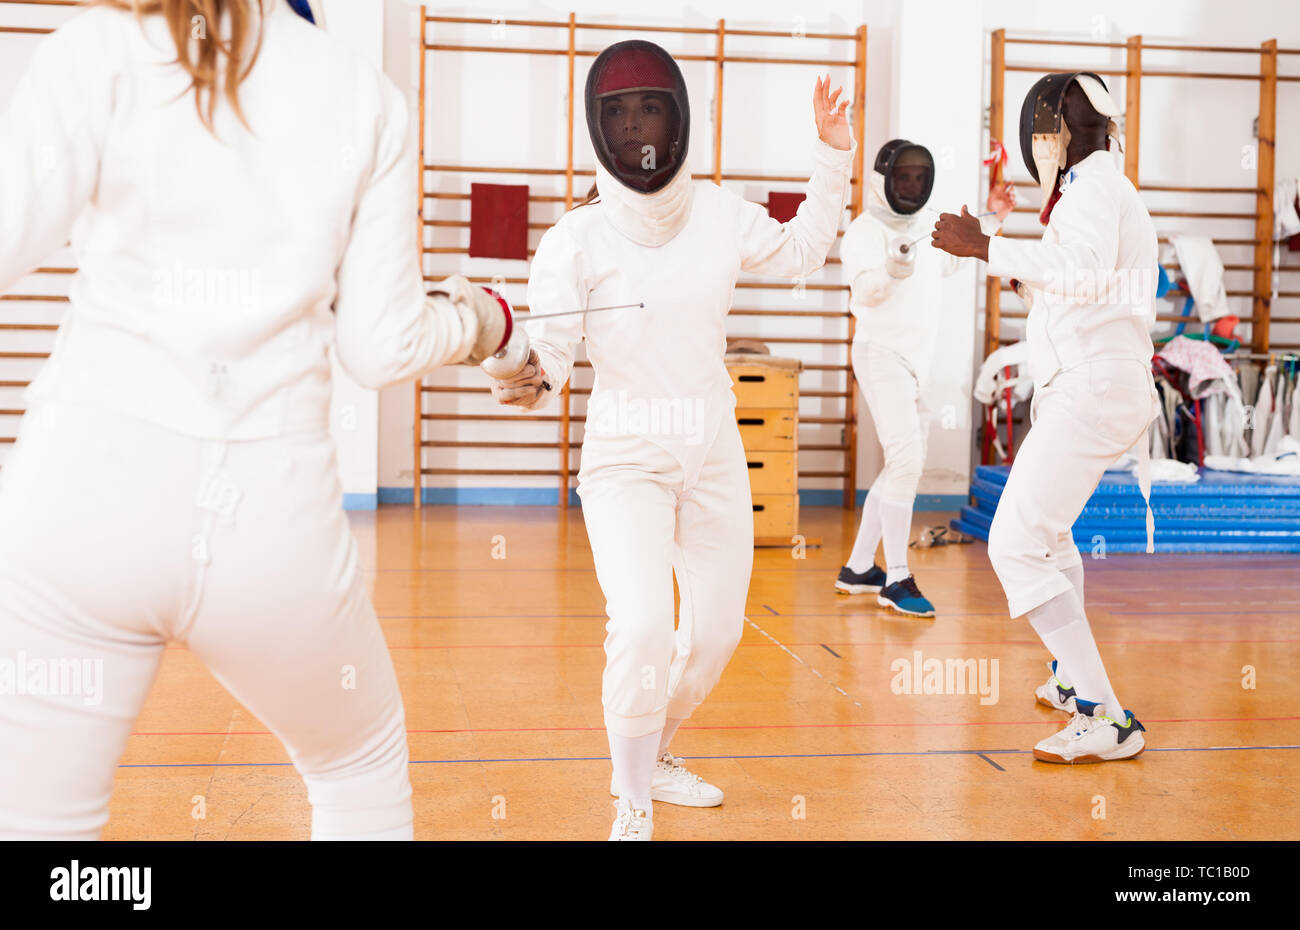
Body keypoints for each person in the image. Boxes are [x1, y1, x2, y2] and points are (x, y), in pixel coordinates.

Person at [0, 0, 509, 839]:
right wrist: (484, 320)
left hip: (80, 500)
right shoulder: (364, 96)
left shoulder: (98, 47)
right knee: (358, 765)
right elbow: (381, 349)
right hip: (271, 525)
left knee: (35, 824)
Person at [488, 40, 854, 838]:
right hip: (625, 457)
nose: (637, 127)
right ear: (596, 128)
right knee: (646, 623)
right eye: (618, 113)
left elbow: (801, 252)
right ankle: (632, 801)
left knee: (717, 635)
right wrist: (516, 366)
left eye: (650, 107)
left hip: (712, 448)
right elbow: (545, 360)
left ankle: (657, 755)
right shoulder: (573, 241)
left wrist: (832, 159)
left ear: (680, 117)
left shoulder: (720, 213)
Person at [932, 72, 1158, 763]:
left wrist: (985, 245)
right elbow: (1069, 281)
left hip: (1094, 387)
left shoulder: (1094, 186)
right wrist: (1002, 242)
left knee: (1014, 545)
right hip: (1088, 385)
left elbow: (1084, 273)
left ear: (1055, 127)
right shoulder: (1095, 189)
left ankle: (1106, 716)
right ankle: (1071, 682)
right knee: (1051, 538)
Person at [835, 140, 1014, 616]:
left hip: (917, 366)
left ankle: (857, 568)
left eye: (919, 177)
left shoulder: (928, 225)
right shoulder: (863, 232)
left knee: (901, 466)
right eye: (904, 178)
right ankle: (896, 577)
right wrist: (893, 268)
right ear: (883, 181)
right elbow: (867, 291)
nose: (912, 186)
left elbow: (953, 259)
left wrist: (992, 217)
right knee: (907, 463)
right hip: (881, 356)